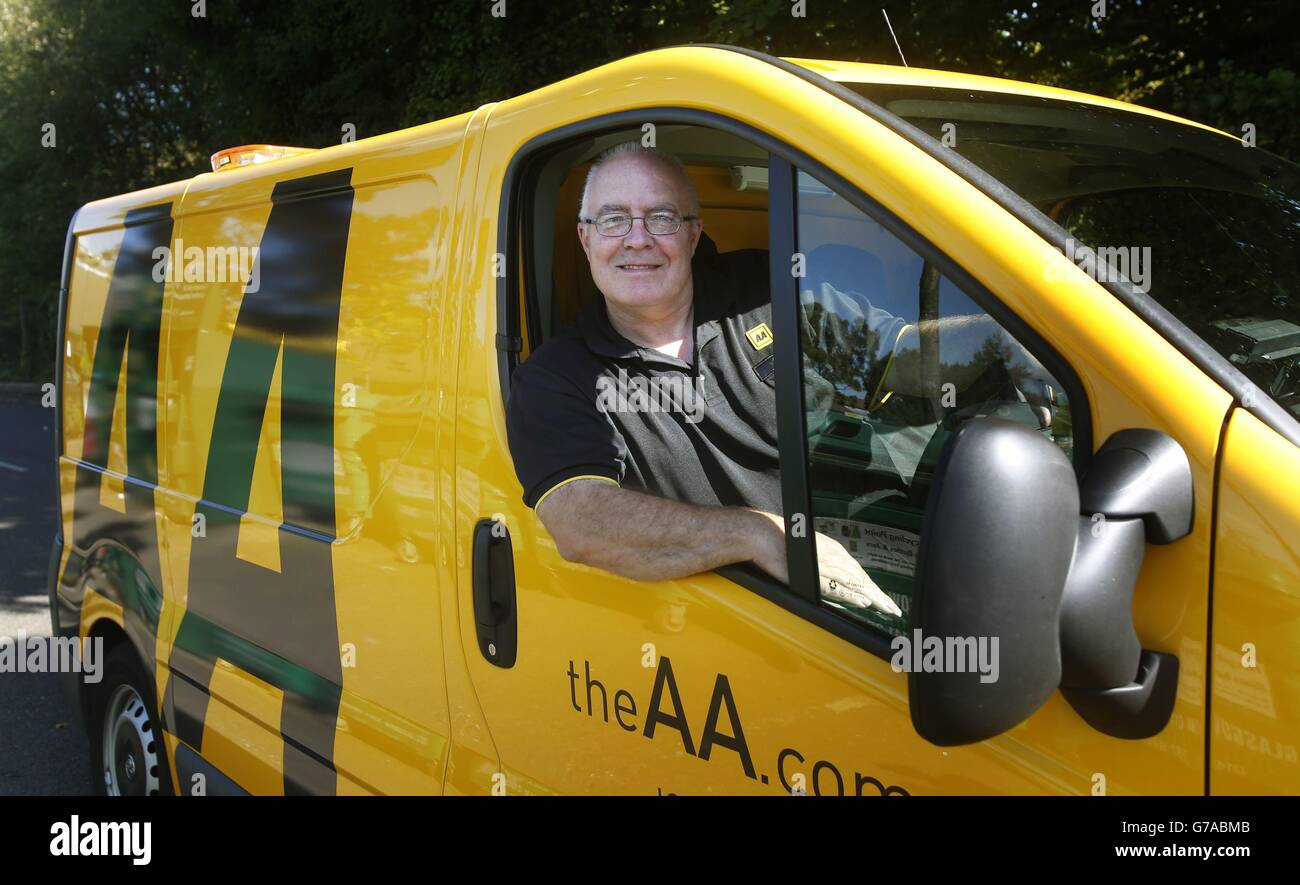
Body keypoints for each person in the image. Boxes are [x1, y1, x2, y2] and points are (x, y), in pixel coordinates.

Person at [506, 142, 1033, 615]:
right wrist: (757, 535)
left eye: (662, 218)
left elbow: (909, 357)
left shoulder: (770, 290)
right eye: (614, 220)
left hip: (892, 560)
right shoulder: (558, 378)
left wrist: (1010, 343)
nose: (638, 240)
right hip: (774, 619)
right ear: (584, 237)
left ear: (693, 234)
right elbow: (581, 523)